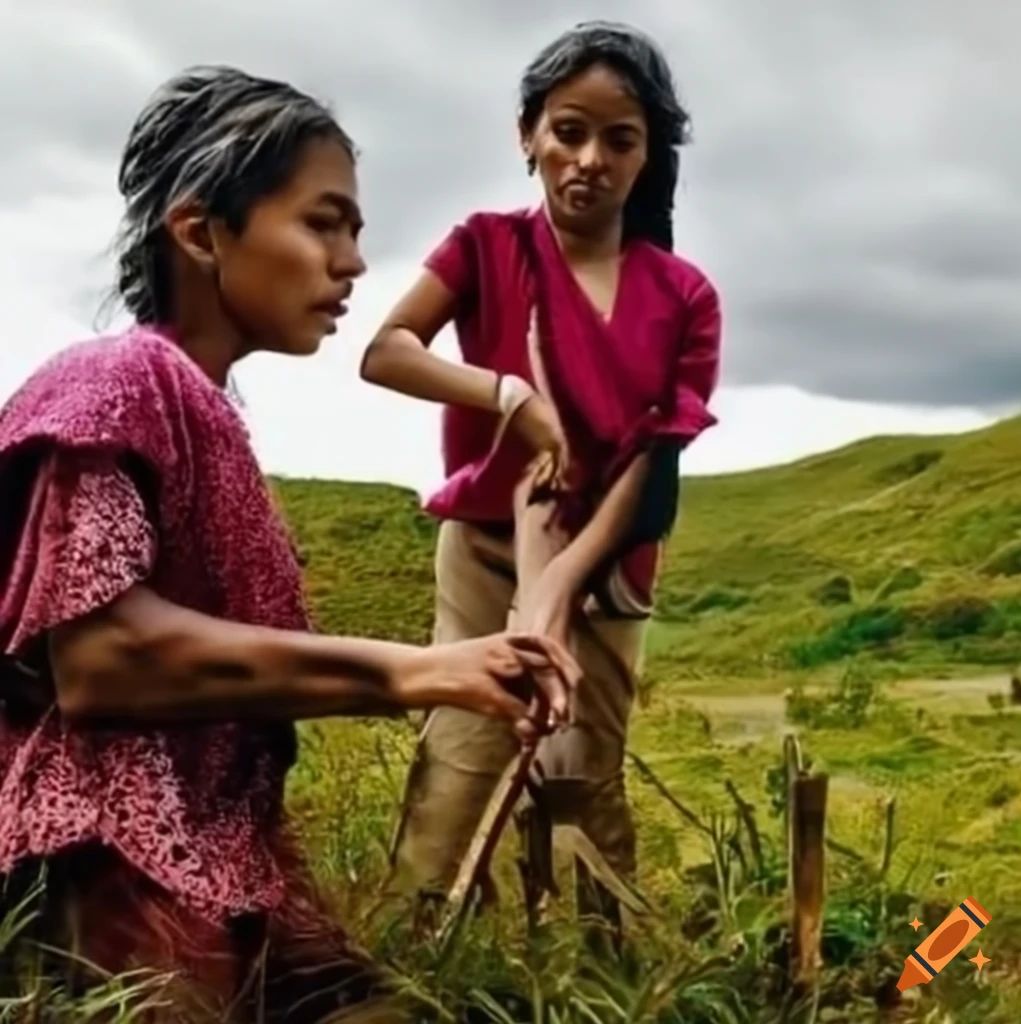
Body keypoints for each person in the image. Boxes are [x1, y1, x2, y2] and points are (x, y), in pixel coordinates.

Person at [0, 65, 579, 1022]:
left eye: (352, 230)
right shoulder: (115, 381)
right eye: (323, 222)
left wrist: (455, 671)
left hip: (226, 860)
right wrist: (417, 671)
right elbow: (103, 659)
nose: (352, 261)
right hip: (105, 858)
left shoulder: (205, 412)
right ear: (200, 231)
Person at [361, 21, 723, 936]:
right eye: (568, 131)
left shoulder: (684, 296)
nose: (589, 160)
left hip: (609, 573)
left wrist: (562, 579)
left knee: (580, 776)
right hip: (484, 550)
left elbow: (655, 460)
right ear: (528, 134)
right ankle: (412, 961)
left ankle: (600, 966)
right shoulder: (485, 247)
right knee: (461, 755)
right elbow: (386, 351)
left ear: (649, 157)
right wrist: (506, 392)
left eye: (620, 139)